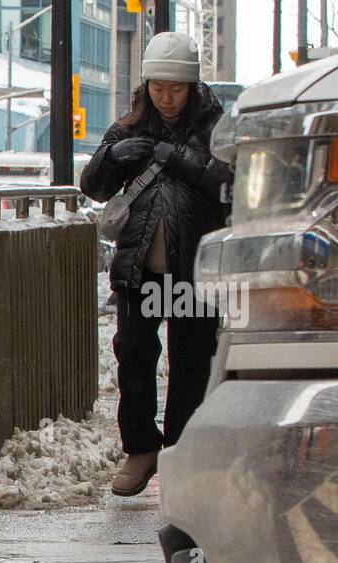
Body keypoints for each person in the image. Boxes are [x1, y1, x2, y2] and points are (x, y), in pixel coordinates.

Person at [80, 32, 233, 497]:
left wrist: (181, 159)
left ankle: (182, 452)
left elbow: (233, 185)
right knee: (134, 357)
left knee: (191, 362)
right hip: (139, 267)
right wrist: (111, 157)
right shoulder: (129, 125)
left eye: (176, 88)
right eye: (157, 87)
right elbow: (94, 186)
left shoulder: (217, 126)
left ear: (192, 85)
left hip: (195, 268)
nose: (166, 97)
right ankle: (140, 449)